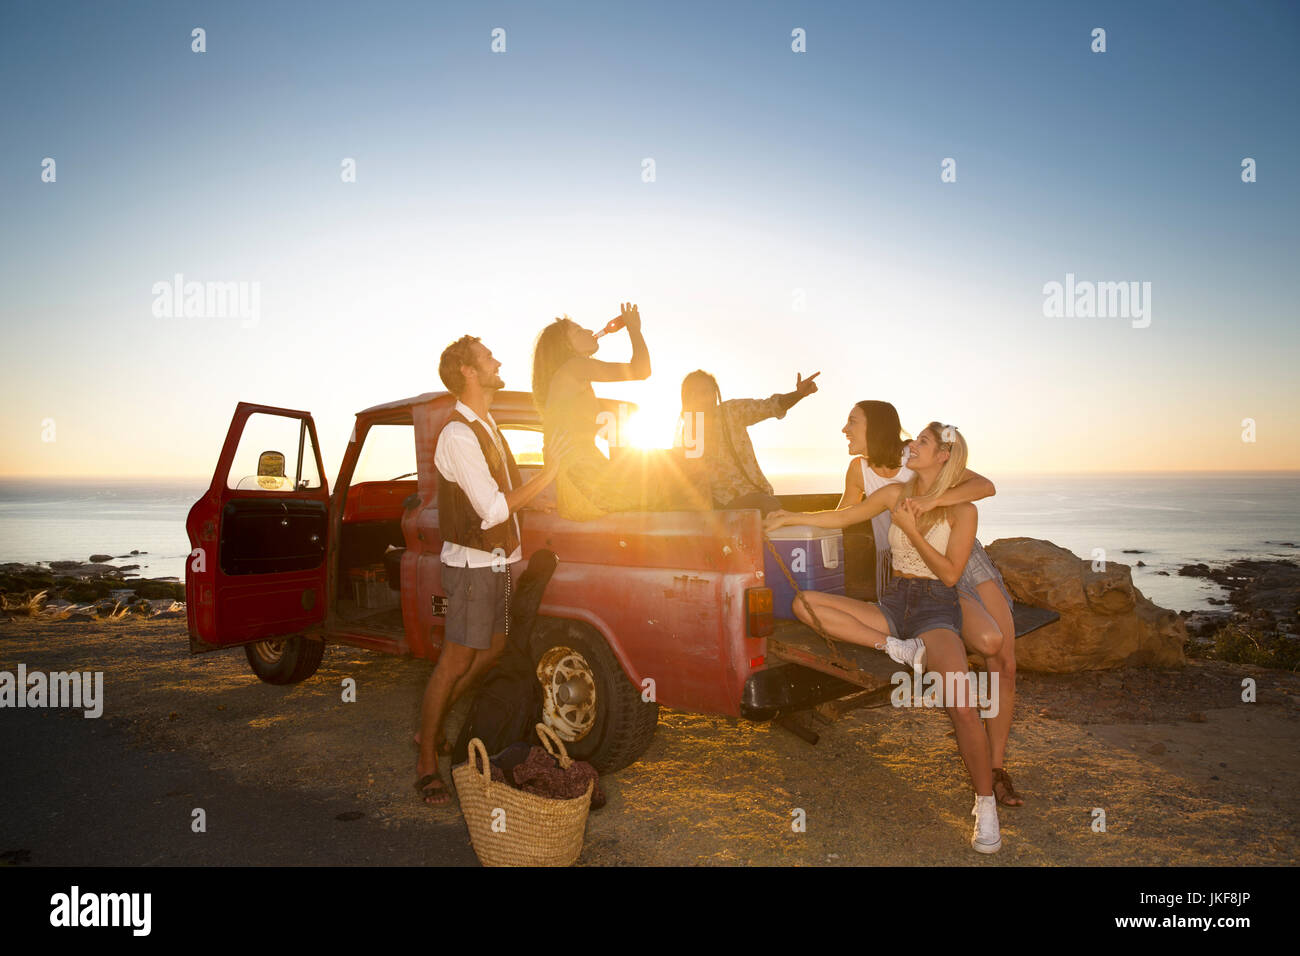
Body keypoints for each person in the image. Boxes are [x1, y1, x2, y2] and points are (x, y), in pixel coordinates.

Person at [765, 422, 1003, 853]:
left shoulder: (963, 511)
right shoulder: (896, 494)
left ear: (943, 456)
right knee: (805, 604)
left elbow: (950, 574)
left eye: (923, 443)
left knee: (963, 707)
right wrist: (790, 516)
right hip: (894, 604)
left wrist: (911, 530)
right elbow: (843, 514)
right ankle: (896, 648)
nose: (911, 445)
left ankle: (985, 805)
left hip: (935, 606)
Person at [838, 400, 1021, 806]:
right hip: (910, 570)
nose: (845, 429)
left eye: (853, 421)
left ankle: (996, 767)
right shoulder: (859, 470)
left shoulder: (916, 454)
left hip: (960, 560)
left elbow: (984, 486)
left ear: (878, 427)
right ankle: (983, 769)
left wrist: (931, 502)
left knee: (1004, 660)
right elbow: (845, 515)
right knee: (981, 646)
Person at [415, 335, 566, 806]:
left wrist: (542, 496)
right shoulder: (459, 434)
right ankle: (425, 758)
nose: (498, 360)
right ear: (469, 372)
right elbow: (492, 509)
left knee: (492, 650)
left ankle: (433, 728)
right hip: (474, 569)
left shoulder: (487, 425)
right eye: (488, 357)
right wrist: (550, 472)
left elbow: (504, 497)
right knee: (458, 660)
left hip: (498, 564)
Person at [531, 303, 708, 520]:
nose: (588, 331)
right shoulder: (574, 367)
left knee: (667, 472)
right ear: (565, 346)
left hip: (579, 488)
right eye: (578, 331)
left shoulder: (567, 379)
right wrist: (634, 328)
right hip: (588, 488)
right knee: (684, 478)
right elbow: (641, 370)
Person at [677, 369, 819, 515]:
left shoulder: (731, 411)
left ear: (716, 393)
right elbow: (693, 478)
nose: (705, 397)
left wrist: (799, 394)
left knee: (771, 507)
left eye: (708, 391)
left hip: (755, 496)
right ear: (688, 397)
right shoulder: (690, 429)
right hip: (723, 505)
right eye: (697, 393)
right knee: (769, 506)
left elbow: (769, 406)